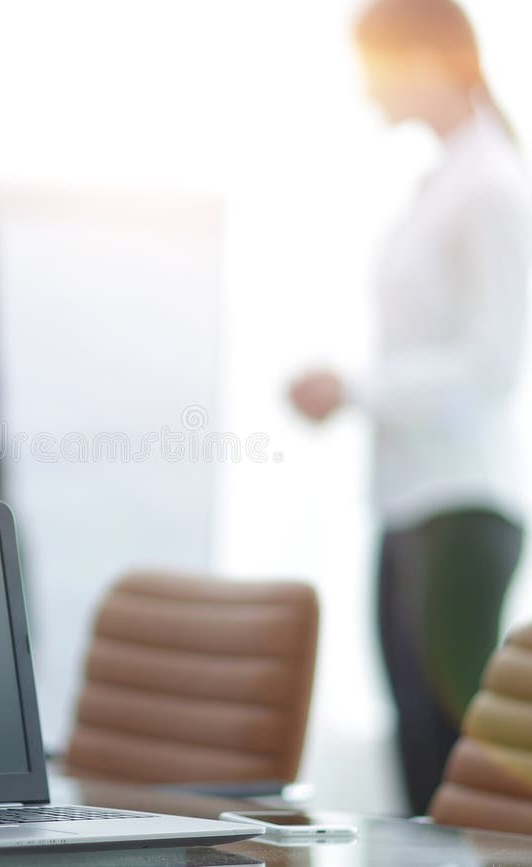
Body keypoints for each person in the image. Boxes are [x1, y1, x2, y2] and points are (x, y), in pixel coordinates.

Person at [289, 0, 531, 815]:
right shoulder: (443, 183)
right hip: (408, 501)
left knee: (450, 772)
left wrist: (357, 388)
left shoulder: (490, 185)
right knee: (418, 758)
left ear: (427, 59)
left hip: (461, 504)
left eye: (373, 67)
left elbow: (494, 364)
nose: (365, 89)